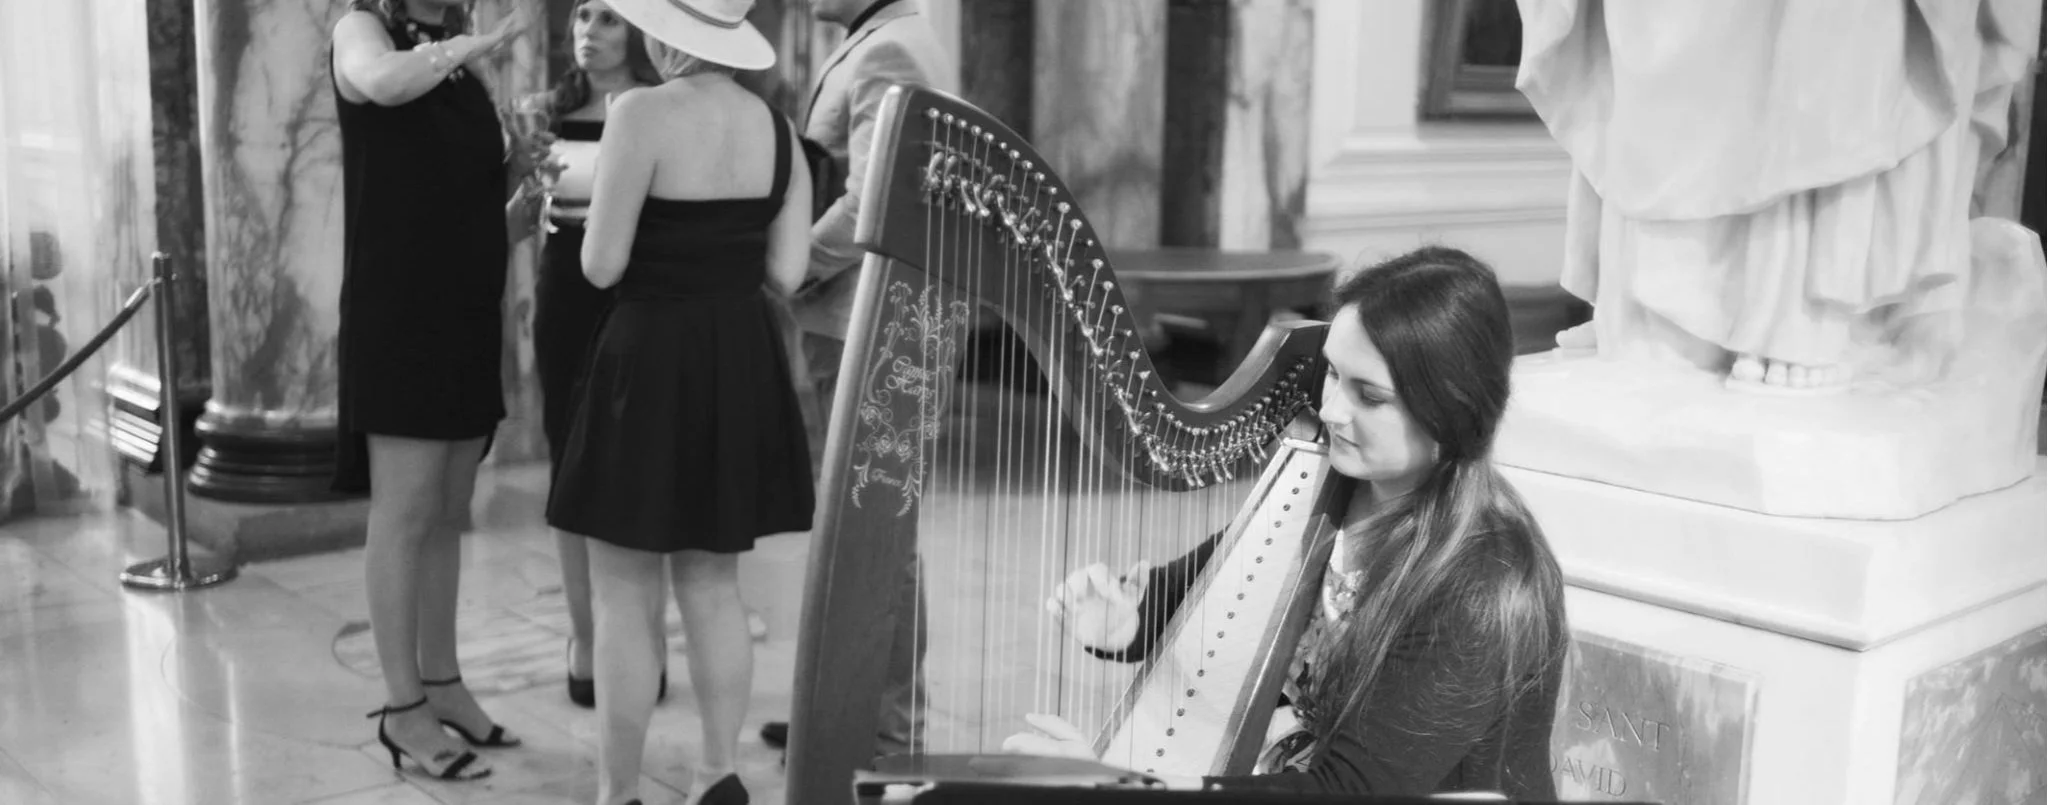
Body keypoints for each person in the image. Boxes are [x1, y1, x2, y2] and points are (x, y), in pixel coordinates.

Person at [1007, 247, 1571, 799]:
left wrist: (1118, 783)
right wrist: (1122, 624)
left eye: (1368, 396)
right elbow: (1187, 596)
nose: (1330, 410)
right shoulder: (1333, 490)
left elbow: (1350, 790)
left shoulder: (1482, 582)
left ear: (1452, 408)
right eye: (1331, 375)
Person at [543, 0, 813, 802]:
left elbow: (600, 263)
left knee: (624, 590)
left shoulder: (640, 113)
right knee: (712, 581)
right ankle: (716, 772)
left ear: (667, 35)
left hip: (650, 356)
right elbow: (789, 274)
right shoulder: (778, 131)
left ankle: (618, 791)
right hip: (737, 358)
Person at [332, 0, 538, 782]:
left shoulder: (460, 70)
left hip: (463, 311)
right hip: (400, 314)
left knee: (451, 510)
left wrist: (523, 173)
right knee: (406, 509)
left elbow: (470, 200)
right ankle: (402, 706)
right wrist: (470, 44)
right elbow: (379, 85)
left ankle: (444, 682)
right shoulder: (363, 31)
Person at [759, 0, 954, 761]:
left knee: (882, 533)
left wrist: (791, 265)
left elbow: (873, 200)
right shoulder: (889, 38)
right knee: (858, 529)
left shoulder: (887, 52)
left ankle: (889, 732)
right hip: (856, 317)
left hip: (862, 320)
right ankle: (843, 707)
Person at [526, 0, 665, 711]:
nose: (589, 31)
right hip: (565, 295)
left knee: (641, 464)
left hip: (639, 294)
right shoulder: (544, 111)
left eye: (609, 18)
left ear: (640, 32)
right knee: (570, 464)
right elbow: (522, 216)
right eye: (582, 15)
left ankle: (647, 637)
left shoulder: (661, 106)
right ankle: (584, 638)